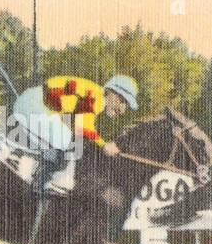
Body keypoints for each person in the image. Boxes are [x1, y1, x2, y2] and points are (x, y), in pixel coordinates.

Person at [8, 74, 138, 195]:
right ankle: (20, 158)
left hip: (36, 104)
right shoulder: (97, 98)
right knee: (66, 139)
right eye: (122, 101)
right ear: (111, 93)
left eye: (125, 104)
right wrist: (104, 145)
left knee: (66, 139)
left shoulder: (97, 96)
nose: (122, 109)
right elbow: (82, 127)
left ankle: (39, 173)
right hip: (33, 104)